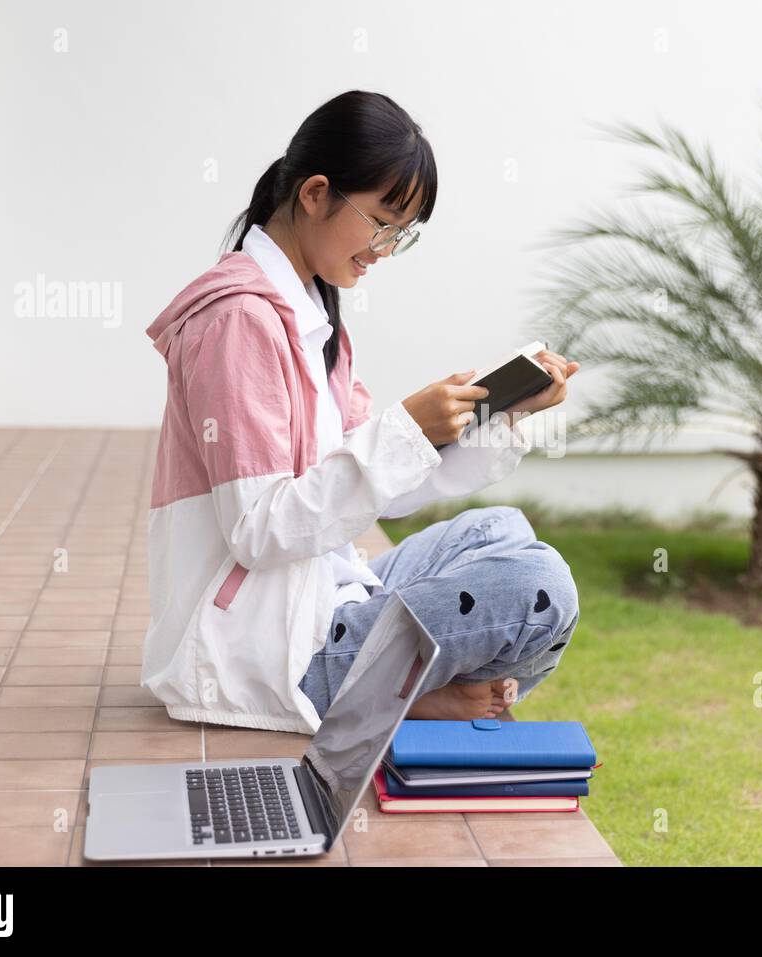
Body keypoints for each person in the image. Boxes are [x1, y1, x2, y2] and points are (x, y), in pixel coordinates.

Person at [140, 90, 581, 735]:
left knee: (499, 533)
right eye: (381, 221)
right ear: (315, 193)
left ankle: (395, 695)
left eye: (402, 233)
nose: (384, 248)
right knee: (539, 586)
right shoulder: (239, 320)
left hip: (319, 594)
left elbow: (376, 494)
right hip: (267, 648)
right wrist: (409, 430)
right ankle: (387, 697)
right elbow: (259, 531)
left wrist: (493, 415)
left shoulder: (313, 319)